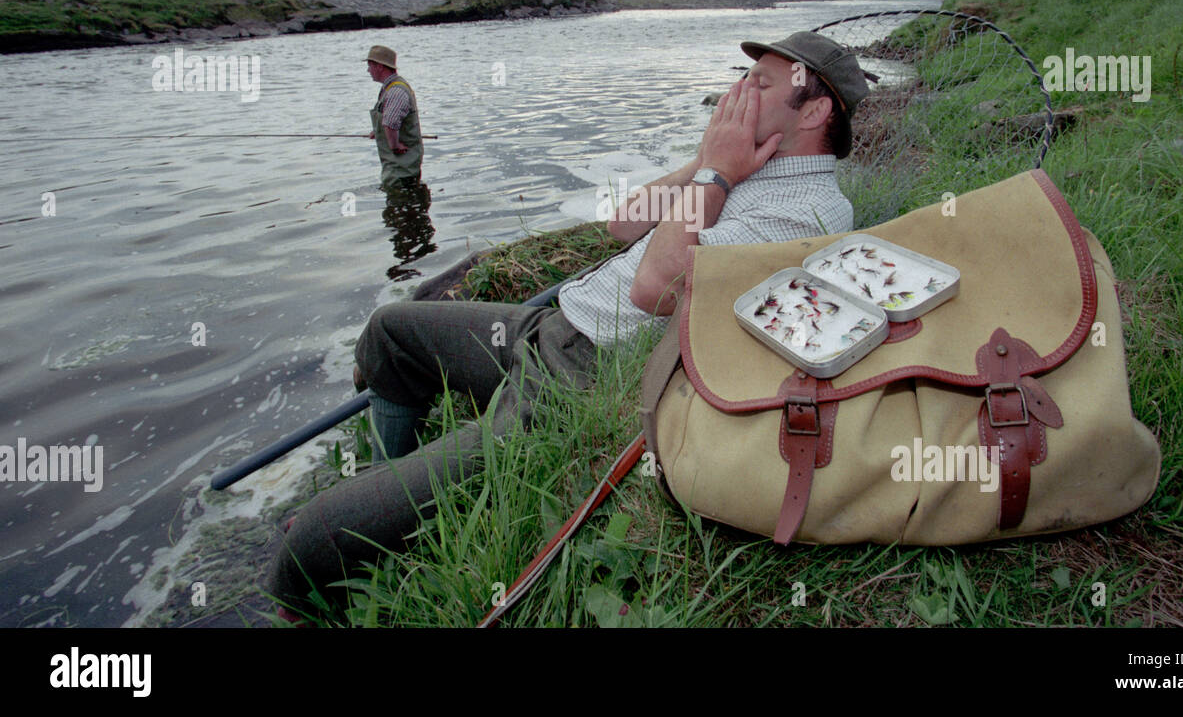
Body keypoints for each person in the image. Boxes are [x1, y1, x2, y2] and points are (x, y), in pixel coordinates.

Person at [266, 31, 871, 617]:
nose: (736, 94)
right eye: (742, 76)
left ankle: (344, 551)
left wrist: (717, 172)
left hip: (576, 373)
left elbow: (653, 289)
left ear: (815, 108)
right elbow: (623, 224)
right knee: (388, 331)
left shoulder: (807, 213)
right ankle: (381, 479)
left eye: (759, 83)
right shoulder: (747, 168)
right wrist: (707, 162)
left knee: (310, 543)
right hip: (551, 325)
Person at [364, 45, 424, 187]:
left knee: (398, 201)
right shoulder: (391, 87)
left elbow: (390, 124)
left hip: (401, 171)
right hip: (399, 169)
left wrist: (395, 146)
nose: (368, 70)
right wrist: (378, 132)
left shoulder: (395, 91)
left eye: (370, 66)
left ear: (379, 66)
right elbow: (392, 121)